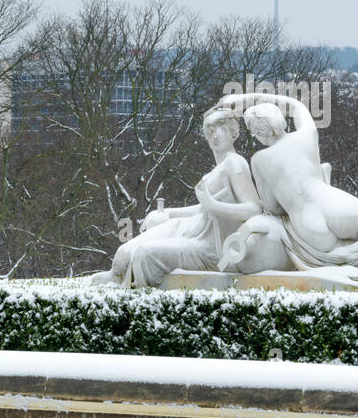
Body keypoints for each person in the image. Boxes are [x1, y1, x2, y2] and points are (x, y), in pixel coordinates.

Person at [211, 92, 358, 290]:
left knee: (353, 260)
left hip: (307, 225)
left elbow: (273, 207)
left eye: (254, 132)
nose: (254, 136)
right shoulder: (307, 136)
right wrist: (245, 99)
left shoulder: (259, 159)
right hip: (332, 202)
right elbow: (295, 106)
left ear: (260, 131)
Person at [91, 107, 265, 287]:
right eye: (210, 130)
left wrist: (214, 206)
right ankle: (116, 275)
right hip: (195, 230)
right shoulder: (219, 168)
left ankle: (134, 294)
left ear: (232, 132)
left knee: (144, 254)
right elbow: (204, 208)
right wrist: (169, 213)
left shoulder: (235, 163)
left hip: (213, 249)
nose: (214, 135)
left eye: (220, 129)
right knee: (126, 250)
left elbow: (253, 208)